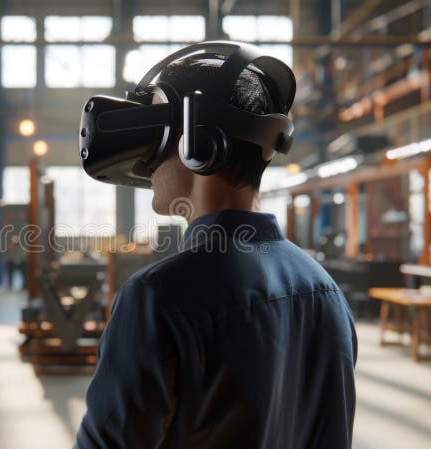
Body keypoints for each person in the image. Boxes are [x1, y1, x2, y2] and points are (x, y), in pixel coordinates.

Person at [74, 45, 357, 449]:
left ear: (198, 143)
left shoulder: (157, 299)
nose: (145, 159)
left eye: (157, 135)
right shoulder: (327, 293)